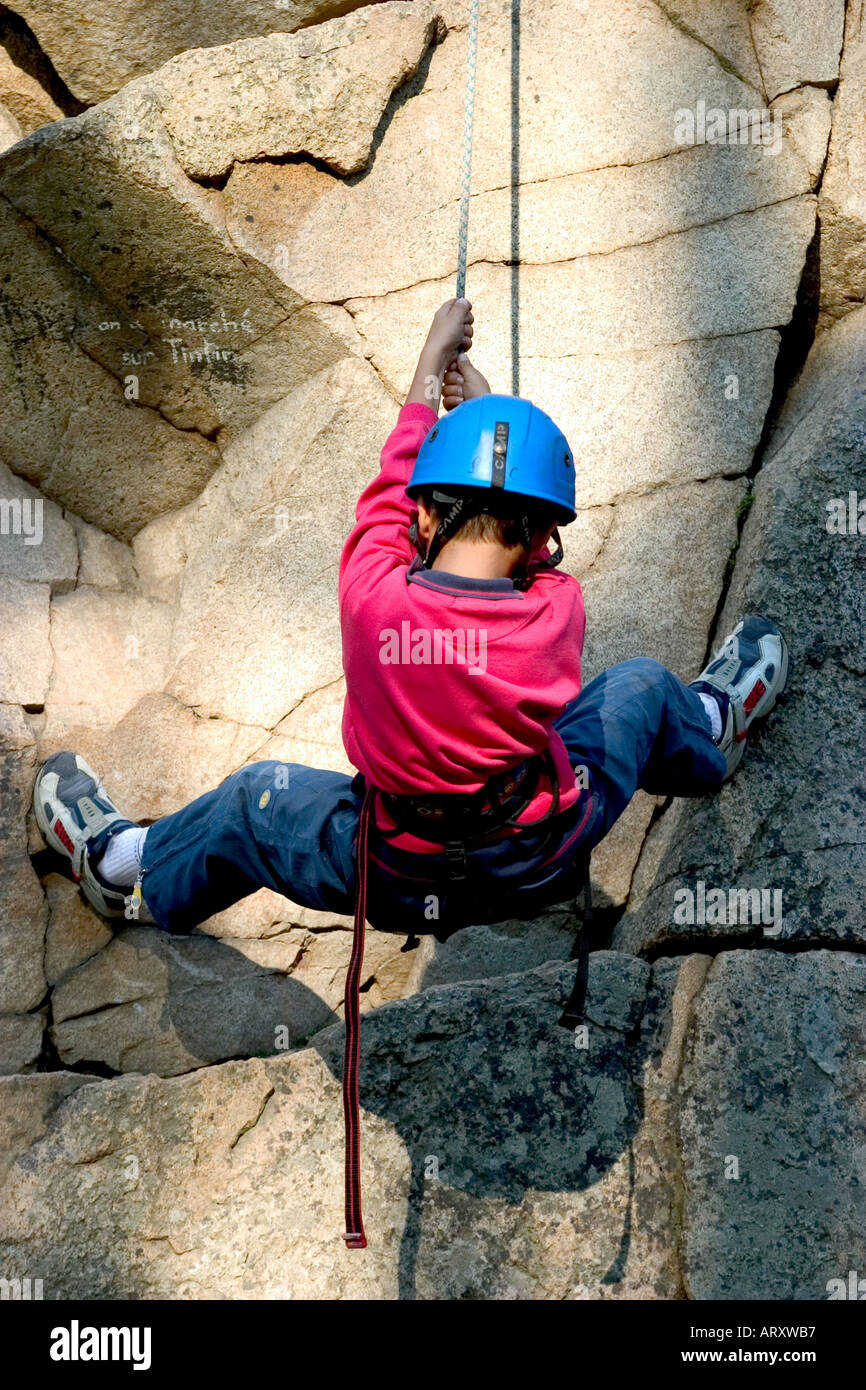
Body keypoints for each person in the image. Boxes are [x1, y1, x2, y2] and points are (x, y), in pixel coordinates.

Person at [34, 296, 787, 947]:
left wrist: (431, 368)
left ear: (424, 513)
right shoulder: (555, 609)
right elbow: (514, 544)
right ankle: (713, 726)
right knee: (645, 689)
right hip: (540, 856)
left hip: (389, 871)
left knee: (249, 802)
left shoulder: (373, 598)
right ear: (538, 542)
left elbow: (391, 488)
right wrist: (493, 415)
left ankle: (120, 866)